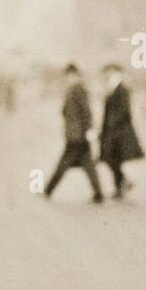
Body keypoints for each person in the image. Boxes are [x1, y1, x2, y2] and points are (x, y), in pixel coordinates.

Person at [44, 63, 104, 203]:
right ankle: (98, 194)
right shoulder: (74, 89)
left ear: (76, 75)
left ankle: (48, 190)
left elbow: (86, 112)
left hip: (77, 135)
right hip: (76, 134)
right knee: (88, 165)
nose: (68, 79)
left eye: (70, 76)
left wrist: (89, 130)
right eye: (67, 76)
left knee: (63, 164)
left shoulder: (79, 90)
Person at [99, 62, 144, 198]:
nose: (106, 74)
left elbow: (124, 110)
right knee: (112, 158)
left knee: (112, 158)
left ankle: (121, 185)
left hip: (119, 131)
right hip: (112, 130)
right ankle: (122, 184)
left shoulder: (121, 88)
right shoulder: (113, 87)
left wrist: (112, 124)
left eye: (108, 71)